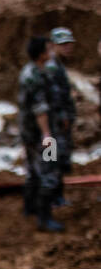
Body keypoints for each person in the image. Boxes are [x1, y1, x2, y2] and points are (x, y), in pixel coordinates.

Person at [19, 36, 63, 232]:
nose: (52, 52)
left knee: (32, 171)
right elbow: (40, 109)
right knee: (49, 172)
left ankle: (29, 209)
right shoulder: (35, 76)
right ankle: (45, 219)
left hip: (29, 132)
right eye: (49, 49)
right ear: (41, 54)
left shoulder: (30, 72)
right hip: (42, 135)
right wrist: (47, 134)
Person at [44, 28, 76, 206]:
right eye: (63, 44)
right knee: (51, 160)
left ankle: (56, 196)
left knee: (57, 160)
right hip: (53, 125)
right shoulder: (51, 66)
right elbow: (53, 96)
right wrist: (63, 116)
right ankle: (50, 198)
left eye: (69, 44)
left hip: (57, 124)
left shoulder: (57, 65)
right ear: (53, 45)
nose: (68, 47)